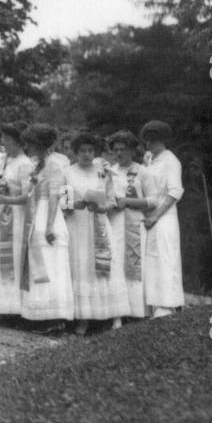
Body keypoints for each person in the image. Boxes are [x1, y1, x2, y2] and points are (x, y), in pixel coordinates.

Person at [63, 132, 130, 333]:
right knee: (82, 266)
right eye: (82, 151)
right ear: (75, 152)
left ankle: (115, 316)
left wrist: (102, 207)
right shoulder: (67, 172)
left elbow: (112, 200)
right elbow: (64, 204)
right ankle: (84, 319)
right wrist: (78, 203)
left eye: (90, 150)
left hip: (99, 223)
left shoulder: (103, 172)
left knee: (105, 266)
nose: (86, 154)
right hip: (78, 225)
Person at [21, 124, 74, 331]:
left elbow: (55, 195)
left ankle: (55, 317)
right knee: (40, 262)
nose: (28, 147)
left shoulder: (54, 164)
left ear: (40, 144)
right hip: (36, 212)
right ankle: (41, 315)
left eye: (31, 143)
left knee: (51, 264)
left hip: (48, 215)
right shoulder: (39, 164)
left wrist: (50, 225)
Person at [0, 123, 34, 320]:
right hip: (4, 212)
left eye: (6, 139)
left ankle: (15, 308)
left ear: (17, 141)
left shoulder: (25, 164)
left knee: (14, 256)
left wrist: (6, 199)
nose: (3, 143)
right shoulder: (6, 161)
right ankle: (2, 306)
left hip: (17, 214)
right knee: (2, 255)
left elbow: (27, 196)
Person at [138, 120, 184, 316]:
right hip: (149, 217)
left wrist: (156, 216)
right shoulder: (151, 159)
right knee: (152, 260)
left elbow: (175, 192)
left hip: (164, 217)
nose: (148, 144)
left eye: (152, 140)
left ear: (161, 140)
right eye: (147, 140)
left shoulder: (170, 160)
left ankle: (167, 306)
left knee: (165, 257)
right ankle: (154, 305)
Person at [104, 130, 148, 320]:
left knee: (135, 265)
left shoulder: (142, 171)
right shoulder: (110, 172)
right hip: (114, 222)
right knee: (116, 265)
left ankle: (137, 311)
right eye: (116, 150)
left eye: (123, 149)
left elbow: (151, 199)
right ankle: (118, 313)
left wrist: (128, 202)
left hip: (135, 223)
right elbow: (106, 195)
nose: (119, 153)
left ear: (132, 150)